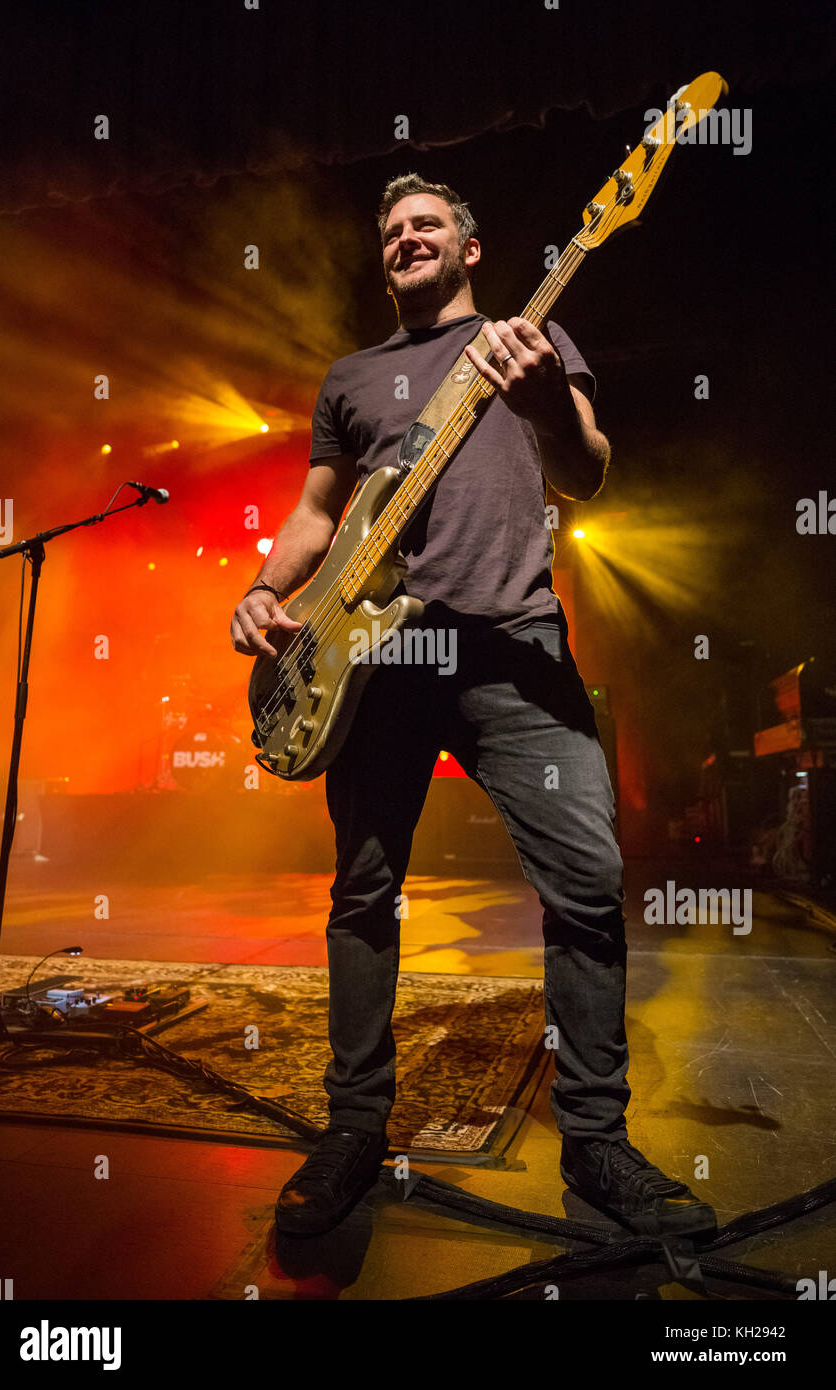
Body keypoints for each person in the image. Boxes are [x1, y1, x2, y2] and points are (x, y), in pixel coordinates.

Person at [230, 173, 716, 1242]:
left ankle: (593, 1140)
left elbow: (585, 473)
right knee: (361, 894)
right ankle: (354, 1125)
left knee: (586, 883)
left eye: (426, 226)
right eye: (390, 230)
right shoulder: (351, 376)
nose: (404, 239)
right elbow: (318, 512)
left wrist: (539, 395)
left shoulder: (529, 336)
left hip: (512, 645)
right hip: (377, 661)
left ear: (471, 246)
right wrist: (267, 590)